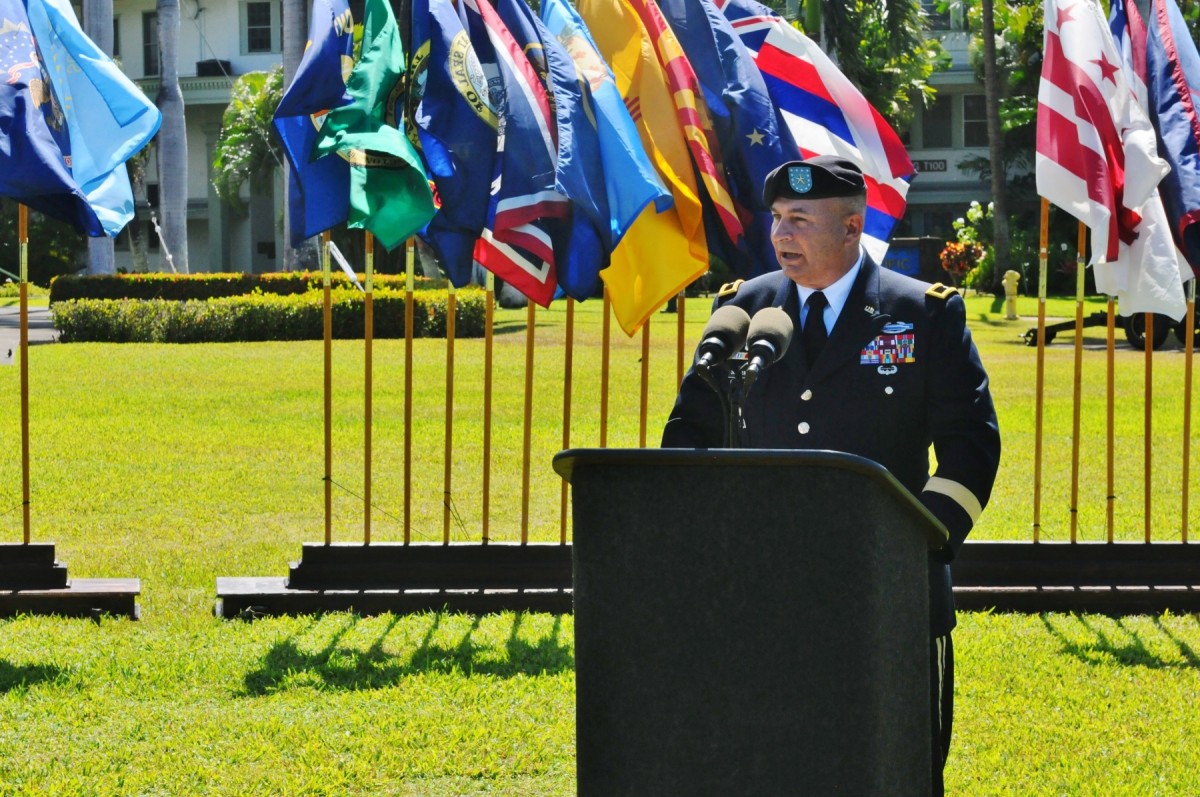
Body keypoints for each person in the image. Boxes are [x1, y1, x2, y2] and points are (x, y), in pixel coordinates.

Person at [662, 155, 1001, 794]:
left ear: (851, 228)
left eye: (799, 220)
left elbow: (971, 449)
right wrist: (701, 538)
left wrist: (913, 544)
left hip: (881, 586)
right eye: (777, 220)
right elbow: (689, 435)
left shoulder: (923, 314)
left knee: (884, 764)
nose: (780, 235)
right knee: (760, 758)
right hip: (755, 584)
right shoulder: (742, 312)